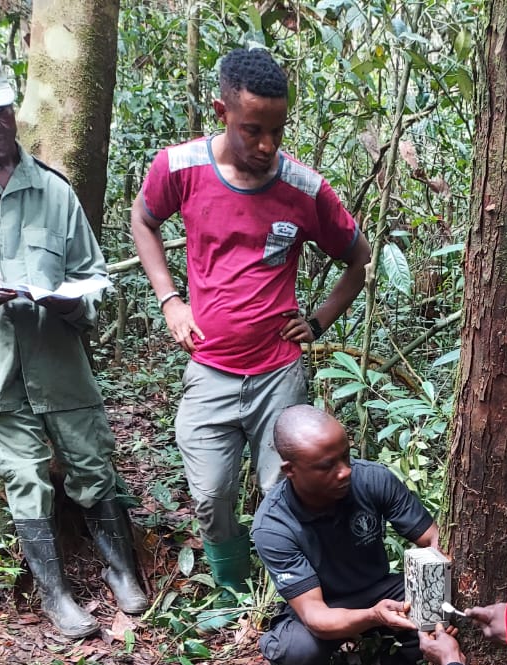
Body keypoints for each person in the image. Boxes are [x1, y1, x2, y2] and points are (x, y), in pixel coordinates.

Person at [131, 47, 371, 593]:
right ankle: (232, 590)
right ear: (222, 112)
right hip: (210, 367)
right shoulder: (180, 168)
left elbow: (359, 258)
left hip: (277, 372)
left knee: (284, 494)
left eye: (277, 131)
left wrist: (319, 320)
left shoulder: (304, 189)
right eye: (253, 130)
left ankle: (289, 596)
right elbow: (143, 220)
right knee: (210, 494)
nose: (267, 145)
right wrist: (171, 300)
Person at [0, 49, 147, 638]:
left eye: (1, 110)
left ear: (15, 110)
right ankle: (55, 596)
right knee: (25, 478)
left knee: (92, 466)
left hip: (60, 363)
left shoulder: (55, 191)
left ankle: (121, 570)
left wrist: (70, 301)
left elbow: (93, 276)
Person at [252, 405, 442, 665]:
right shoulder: (274, 525)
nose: (344, 471)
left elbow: (433, 540)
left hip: (378, 589)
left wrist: (434, 586)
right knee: (296, 651)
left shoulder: (372, 480)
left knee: (440, 594)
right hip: (320, 605)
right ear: (290, 470)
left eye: (346, 456)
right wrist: (374, 616)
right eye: (327, 466)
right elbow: (315, 615)